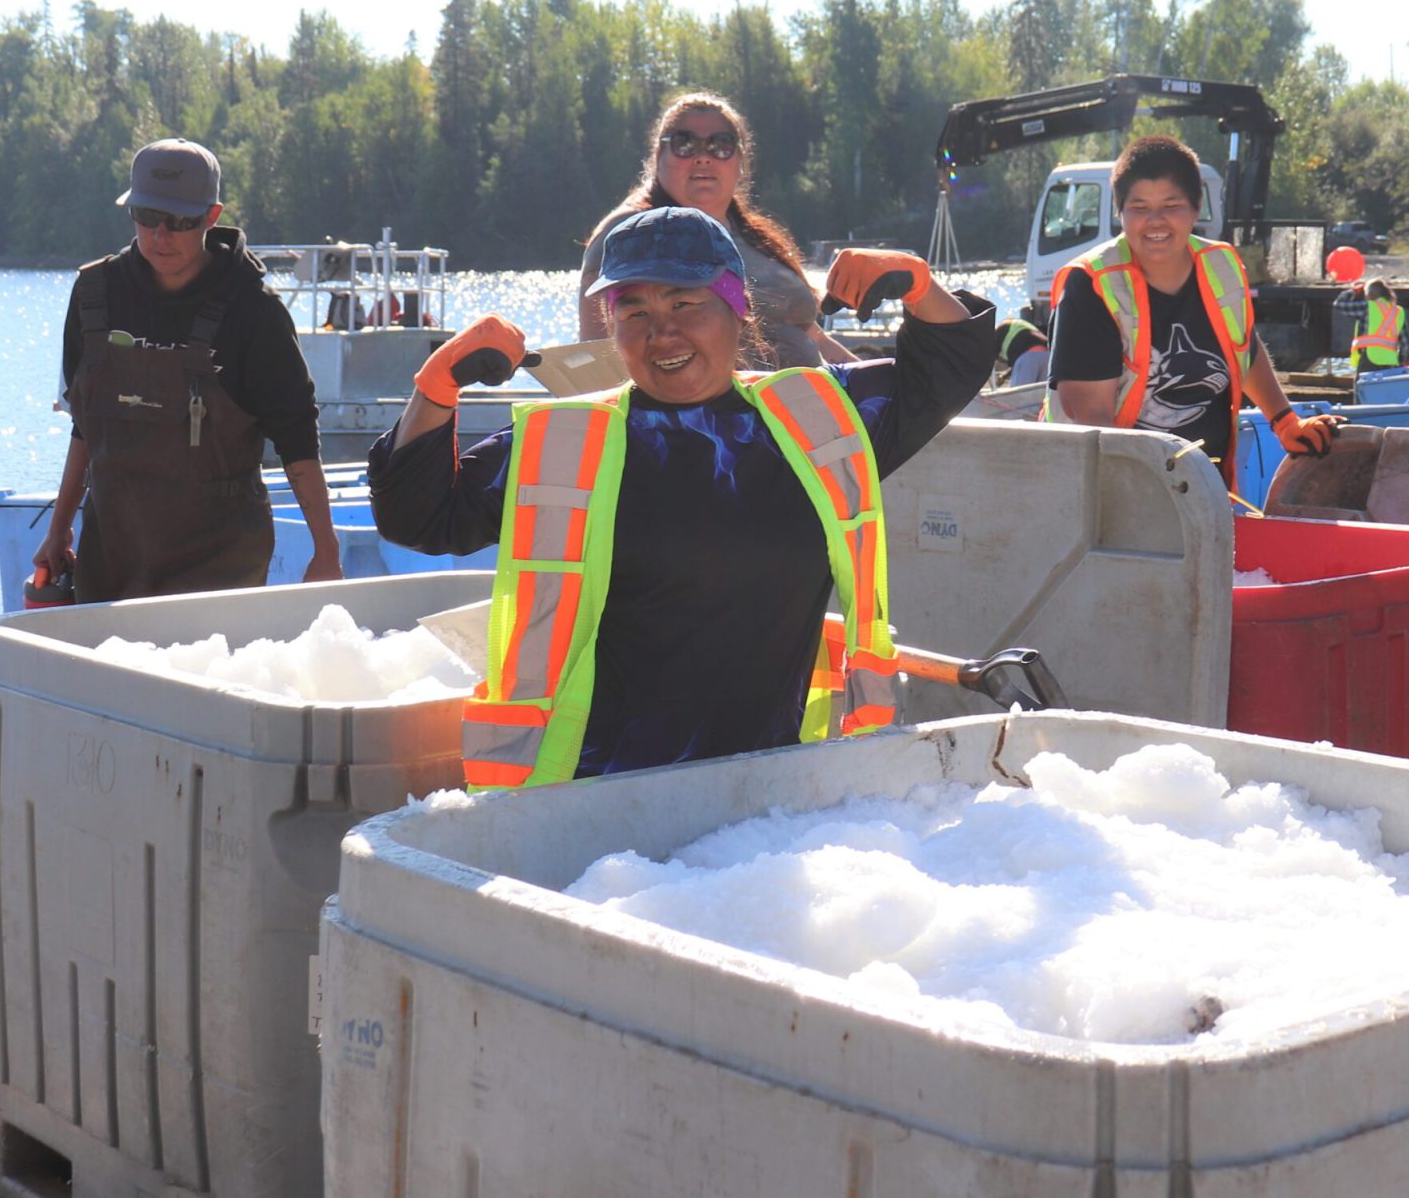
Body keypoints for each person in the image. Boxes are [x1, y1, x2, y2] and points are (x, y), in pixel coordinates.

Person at [372, 206, 994, 788]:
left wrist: (918, 285)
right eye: (633, 310)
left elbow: (946, 364)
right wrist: (437, 386)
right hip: (598, 802)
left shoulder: (820, 419)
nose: (661, 332)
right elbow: (420, 515)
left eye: (685, 301)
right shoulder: (565, 443)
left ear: (736, 307)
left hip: (765, 795)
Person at [34, 138, 342, 602]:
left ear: (212, 216)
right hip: (111, 555)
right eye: (147, 217)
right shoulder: (94, 294)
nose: (161, 235)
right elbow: (85, 423)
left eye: (180, 221)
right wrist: (58, 530)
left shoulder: (254, 311)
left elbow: (298, 439)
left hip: (220, 563)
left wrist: (326, 549)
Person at [1044, 134, 1342, 490]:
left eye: (1171, 205)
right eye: (1139, 208)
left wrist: (1284, 421)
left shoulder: (1222, 265)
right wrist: (1143, 500)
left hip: (1205, 489)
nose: (1156, 221)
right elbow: (1088, 417)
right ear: (1118, 212)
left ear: (1196, 207)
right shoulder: (1091, 285)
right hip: (1112, 494)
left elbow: (1242, 347)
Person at [578, 90, 858, 370]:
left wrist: (874, 384)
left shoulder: (755, 235)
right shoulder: (629, 234)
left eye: (721, 145)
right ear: (658, 155)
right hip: (725, 412)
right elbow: (600, 359)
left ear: (741, 160)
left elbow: (808, 334)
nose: (703, 157)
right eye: (684, 143)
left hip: (806, 401)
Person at [1347, 277, 1405, 373]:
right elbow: (1405, 343)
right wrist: (1399, 362)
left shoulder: (1367, 307)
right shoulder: (1398, 311)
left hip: (1368, 359)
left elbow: (1340, 304)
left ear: (1372, 294)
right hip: (1389, 361)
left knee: (1364, 387)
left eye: (1366, 294)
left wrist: (1353, 291)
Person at [993, 312, 1050, 387]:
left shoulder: (996, 335)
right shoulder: (1015, 326)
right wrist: (1005, 376)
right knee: (1042, 395)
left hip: (1029, 357)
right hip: (1048, 357)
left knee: (1018, 396)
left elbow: (988, 359)